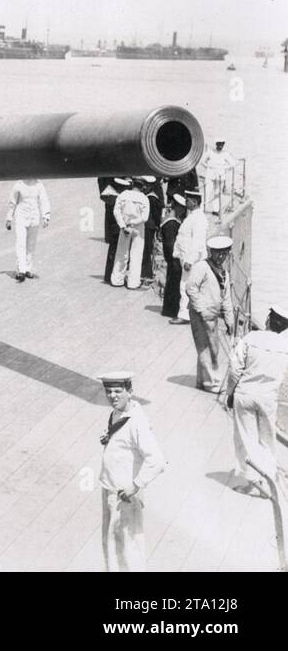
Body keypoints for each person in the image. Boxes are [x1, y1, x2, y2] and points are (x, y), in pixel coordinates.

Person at [97, 372, 166, 572]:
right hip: (110, 489)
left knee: (129, 549)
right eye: (109, 391)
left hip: (124, 495)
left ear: (130, 392)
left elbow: (157, 461)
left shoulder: (137, 421)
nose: (113, 396)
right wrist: (108, 438)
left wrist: (135, 485)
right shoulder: (118, 414)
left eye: (118, 391)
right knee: (111, 544)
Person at [223, 306, 288, 498]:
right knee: (267, 440)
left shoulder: (251, 338)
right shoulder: (285, 346)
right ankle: (269, 481)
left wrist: (230, 393)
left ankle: (252, 483)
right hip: (269, 398)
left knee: (246, 438)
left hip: (245, 394)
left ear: (268, 319)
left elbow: (235, 369)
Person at [184, 235, 234, 392]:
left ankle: (202, 381)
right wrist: (202, 309)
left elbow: (226, 298)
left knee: (212, 347)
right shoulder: (201, 267)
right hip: (200, 313)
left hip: (213, 314)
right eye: (218, 253)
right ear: (211, 252)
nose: (221, 257)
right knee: (206, 347)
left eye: (224, 254)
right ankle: (211, 383)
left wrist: (229, 319)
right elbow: (190, 288)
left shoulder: (224, 273)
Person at [5, 178, 50, 282]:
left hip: (34, 218)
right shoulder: (18, 184)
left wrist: (46, 216)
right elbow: (12, 202)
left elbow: (44, 200)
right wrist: (9, 218)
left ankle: (28, 269)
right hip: (21, 217)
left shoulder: (39, 184)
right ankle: (21, 270)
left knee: (31, 244)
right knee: (20, 244)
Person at [174, 189, 208, 324]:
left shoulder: (199, 219)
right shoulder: (193, 216)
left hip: (192, 259)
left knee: (186, 286)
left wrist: (189, 260)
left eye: (187, 199)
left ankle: (184, 315)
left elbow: (198, 242)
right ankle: (190, 314)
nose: (185, 201)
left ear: (194, 202)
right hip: (187, 257)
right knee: (190, 286)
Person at [110, 180, 150, 289]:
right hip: (138, 228)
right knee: (136, 254)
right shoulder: (144, 198)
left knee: (121, 253)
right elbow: (145, 217)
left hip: (125, 226)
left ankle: (117, 280)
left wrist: (123, 225)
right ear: (142, 186)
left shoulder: (123, 195)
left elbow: (116, 212)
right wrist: (133, 222)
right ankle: (133, 282)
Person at [157, 193, 186, 319]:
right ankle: (172, 310)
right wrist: (174, 258)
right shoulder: (172, 223)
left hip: (171, 258)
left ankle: (169, 309)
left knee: (171, 282)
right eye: (181, 208)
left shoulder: (168, 221)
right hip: (174, 258)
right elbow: (170, 244)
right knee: (174, 284)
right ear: (177, 207)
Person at [137, 176, 163, 285]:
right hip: (150, 226)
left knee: (144, 250)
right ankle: (146, 274)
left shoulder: (147, 197)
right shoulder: (153, 197)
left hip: (145, 226)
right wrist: (158, 226)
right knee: (147, 250)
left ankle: (144, 273)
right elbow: (157, 215)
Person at [199, 138, 234, 212]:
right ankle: (202, 209)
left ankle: (216, 210)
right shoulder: (210, 152)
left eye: (222, 144)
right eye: (219, 144)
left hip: (220, 176)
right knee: (207, 192)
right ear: (216, 144)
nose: (220, 146)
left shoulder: (225, 154)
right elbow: (202, 161)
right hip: (210, 175)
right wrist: (208, 166)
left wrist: (224, 167)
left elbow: (232, 164)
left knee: (217, 193)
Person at [98, 176, 122, 247]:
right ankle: (111, 236)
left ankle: (109, 236)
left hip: (109, 192)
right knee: (112, 215)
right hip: (111, 192)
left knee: (110, 215)